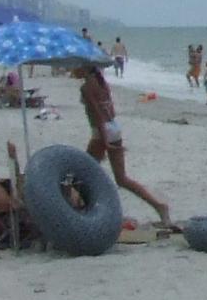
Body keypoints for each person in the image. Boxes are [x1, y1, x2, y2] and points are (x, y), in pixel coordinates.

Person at [74, 58, 174, 230]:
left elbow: (98, 115)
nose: (73, 69)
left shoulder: (86, 87)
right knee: (121, 178)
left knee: (82, 174)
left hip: (102, 132)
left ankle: (82, 211)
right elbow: (110, 110)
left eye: (76, 66)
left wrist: (104, 141)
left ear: (85, 68)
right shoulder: (102, 82)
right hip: (114, 128)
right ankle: (159, 206)